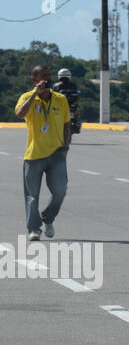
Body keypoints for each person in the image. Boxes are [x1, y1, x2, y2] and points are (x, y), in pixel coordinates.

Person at [14, 65, 71, 241]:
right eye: (42, 76)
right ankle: (34, 229)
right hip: (34, 155)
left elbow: (67, 125)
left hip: (56, 154)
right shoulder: (27, 98)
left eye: (48, 75)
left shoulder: (60, 99)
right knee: (32, 195)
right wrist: (34, 95)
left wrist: (65, 148)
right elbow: (19, 113)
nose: (46, 79)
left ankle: (48, 218)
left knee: (60, 192)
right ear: (34, 79)